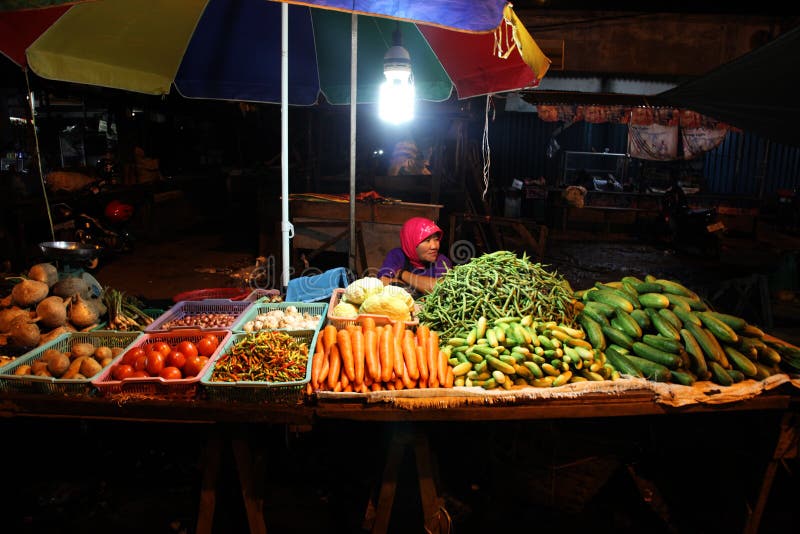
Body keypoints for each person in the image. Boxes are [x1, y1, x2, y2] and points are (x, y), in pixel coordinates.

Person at [377, 217, 452, 297]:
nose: (434, 246)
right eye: (427, 240)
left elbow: (441, 288)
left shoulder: (442, 260)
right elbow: (383, 281)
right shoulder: (397, 255)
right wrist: (420, 290)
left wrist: (402, 274)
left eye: (436, 239)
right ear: (411, 241)